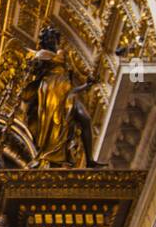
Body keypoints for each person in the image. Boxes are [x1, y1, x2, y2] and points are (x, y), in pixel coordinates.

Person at [21, 25, 101, 168]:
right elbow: (31, 69)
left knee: (85, 118)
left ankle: (89, 159)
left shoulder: (62, 55)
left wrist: (86, 85)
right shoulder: (42, 54)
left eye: (54, 38)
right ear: (44, 41)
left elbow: (69, 86)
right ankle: (48, 156)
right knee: (55, 124)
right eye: (49, 38)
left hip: (68, 94)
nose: (53, 41)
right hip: (51, 93)